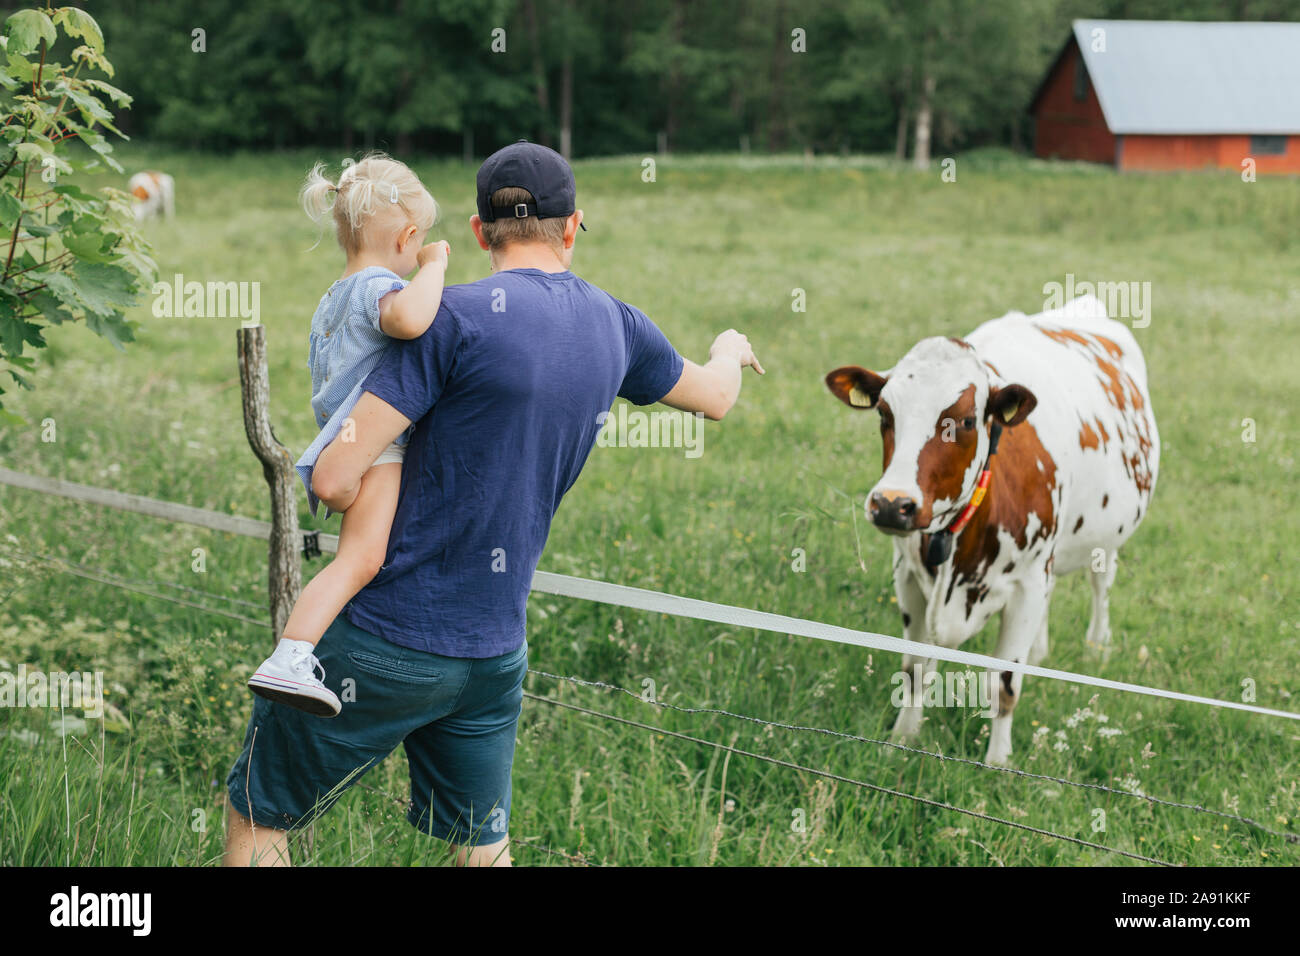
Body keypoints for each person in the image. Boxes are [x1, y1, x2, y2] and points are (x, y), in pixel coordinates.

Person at [224, 140, 763, 867]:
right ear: (573, 226)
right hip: (492, 655)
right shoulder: (621, 325)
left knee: (259, 815)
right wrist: (728, 346)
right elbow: (716, 397)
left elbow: (334, 474)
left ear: (480, 233)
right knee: (484, 853)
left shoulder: (451, 317)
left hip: (387, 634)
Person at [245, 154, 450, 717]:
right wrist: (435, 267)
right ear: (409, 236)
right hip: (375, 449)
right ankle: (291, 656)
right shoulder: (379, 287)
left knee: (356, 558)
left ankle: (296, 652)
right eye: (421, 240)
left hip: (342, 442)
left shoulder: (331, 295)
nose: (422, 250)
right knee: (359, 561)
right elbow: (410, 321)